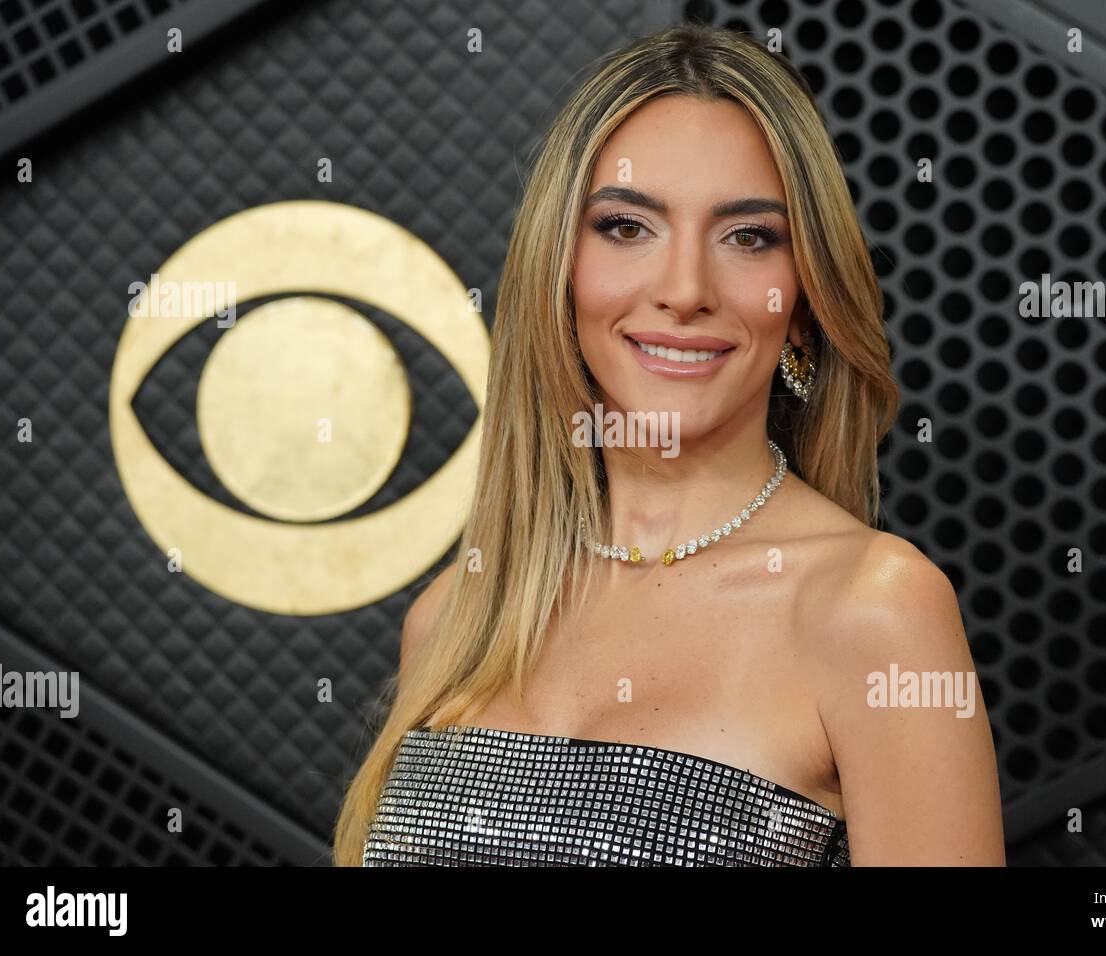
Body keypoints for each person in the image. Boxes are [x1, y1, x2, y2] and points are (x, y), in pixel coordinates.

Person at [334, 22, 1005, 867]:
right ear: (559, 269)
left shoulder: (876, 611)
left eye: (749, 236)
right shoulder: (457, 617)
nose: (685, 290)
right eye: (627, 227)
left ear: (802, 299)